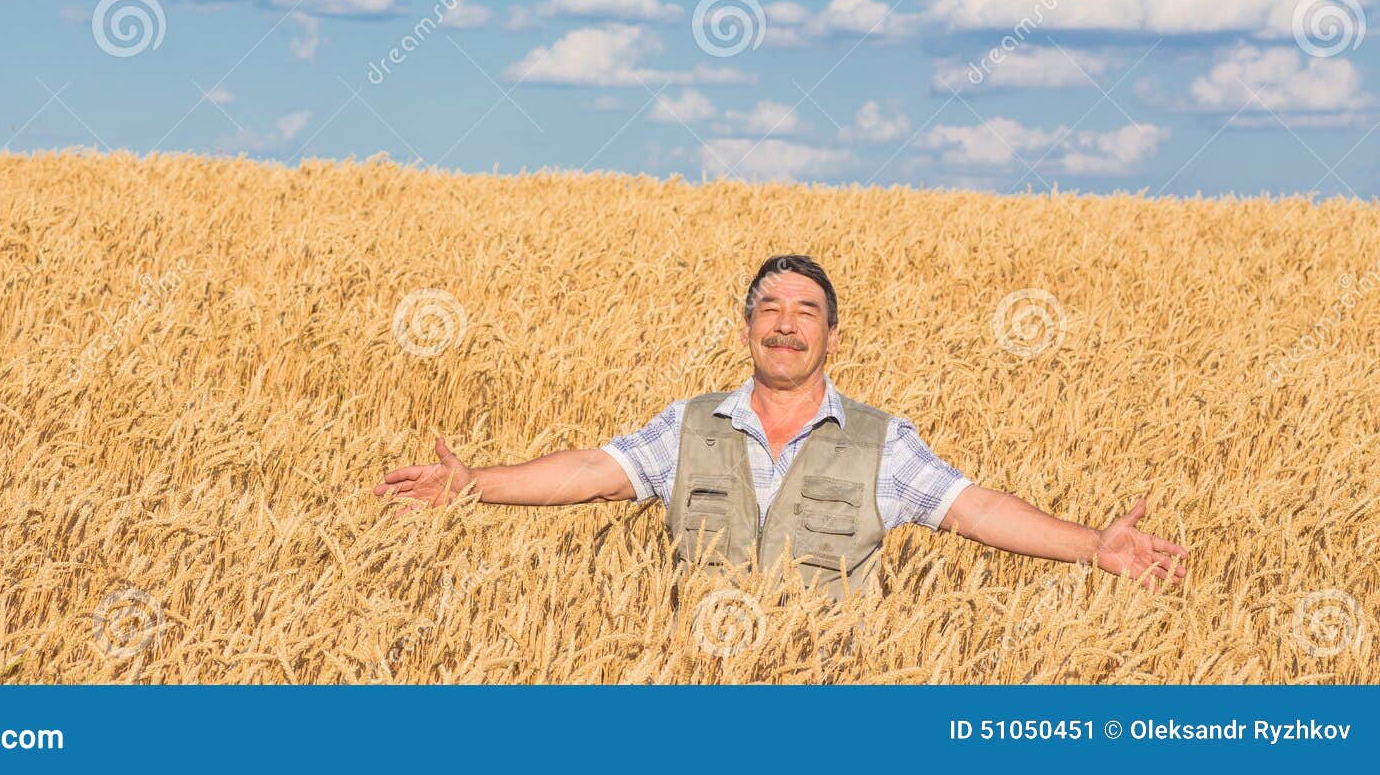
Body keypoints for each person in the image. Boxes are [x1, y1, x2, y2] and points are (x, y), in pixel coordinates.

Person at [374, 254, 1188, 599]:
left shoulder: (884, 442)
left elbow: (975, 509)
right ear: (746, 330)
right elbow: (590, 469)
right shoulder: (690, 425)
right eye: (770, 309)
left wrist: (1093, 545)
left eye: (807, 313)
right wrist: (474, 484)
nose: (787, 326)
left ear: (833, 337)